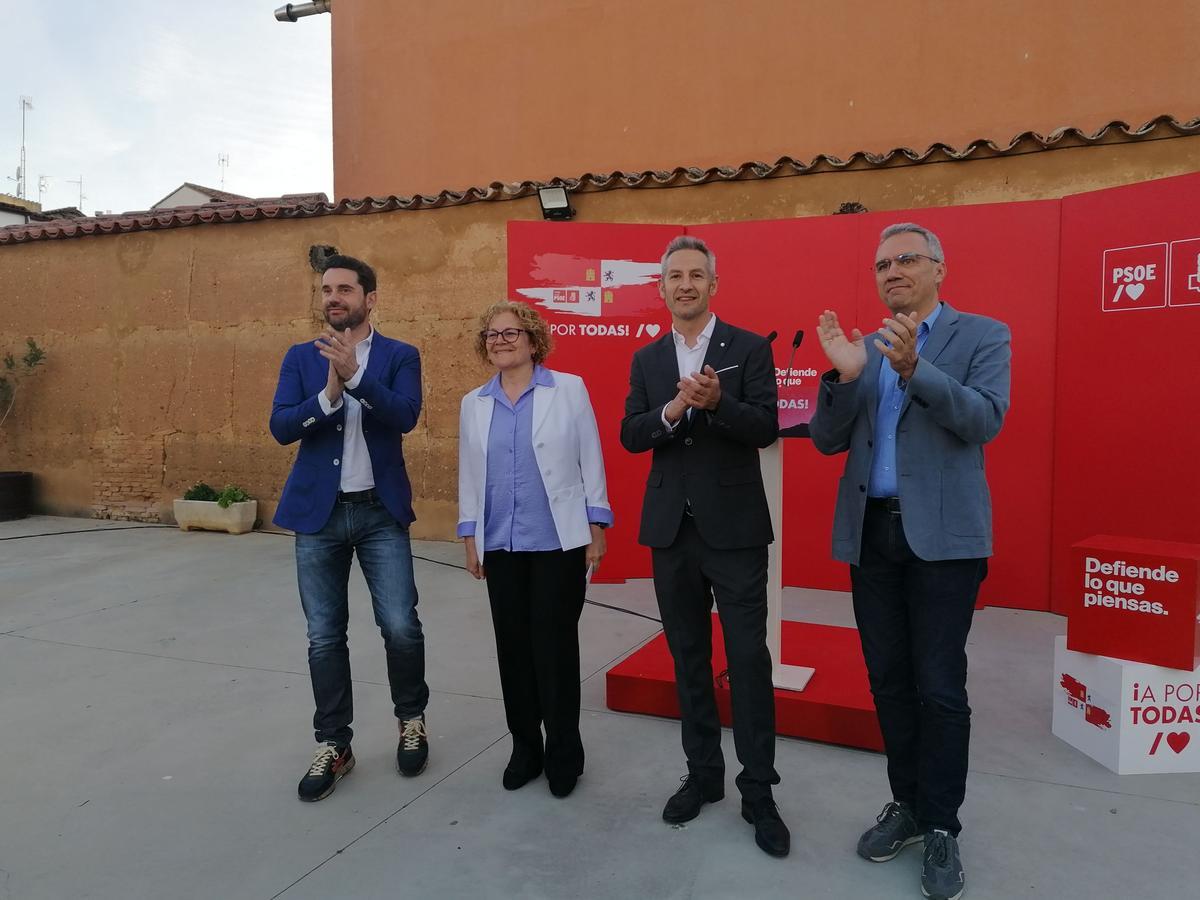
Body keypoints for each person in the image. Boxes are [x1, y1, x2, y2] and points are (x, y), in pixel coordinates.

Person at [809, 223, 1011, 900]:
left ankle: (943, 823)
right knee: (888, 682)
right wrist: (842, 377)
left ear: (938, 269)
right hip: (873, 537)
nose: (892, 271)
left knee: (939, 687)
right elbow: (827, 441)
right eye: (882, 264)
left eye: (906, 260)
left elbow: (984, 420)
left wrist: (914, 370)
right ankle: (906, 804)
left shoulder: (983, 336)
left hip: (945, 543)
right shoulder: (862, 348)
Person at [619, 235, 789, 858]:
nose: (685, 285)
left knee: (747, 659)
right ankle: (704, 775)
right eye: (674, 276)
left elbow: (767, 426)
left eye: (696, 275)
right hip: (671, 532)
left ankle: (759, 790)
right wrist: (671, 411)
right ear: (661, 288)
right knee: (688, 657)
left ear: (714, 284)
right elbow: (633, 434)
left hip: (736, 531)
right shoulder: (646, 358)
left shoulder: (748, 348)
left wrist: (720, 404)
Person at [269, 253, 430, 802]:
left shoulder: (400, 355)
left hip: (380, 512)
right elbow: (281, 426)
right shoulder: (299, 357)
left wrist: (357, 377)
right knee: (323, 636)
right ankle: (334, 743)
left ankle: (411, 719)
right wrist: (328, 396)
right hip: (319, 514)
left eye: (344, 289)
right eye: (327, 289)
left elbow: (405, 415)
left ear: (370, 298)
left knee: (400, 625)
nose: (333, 297)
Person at [458, 300, 612, 799]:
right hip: (499, 543)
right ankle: (526, 747)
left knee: (555, 650)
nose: (501, 340)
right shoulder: (473, 403)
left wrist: (597, 523)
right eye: (492, 334)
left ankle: (565, 752)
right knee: (513, 652)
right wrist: (469, 536)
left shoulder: (567, 389)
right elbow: (470, 474)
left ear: (533, 339)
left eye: (511, 332)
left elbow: (591, 455)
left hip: (557, 542)